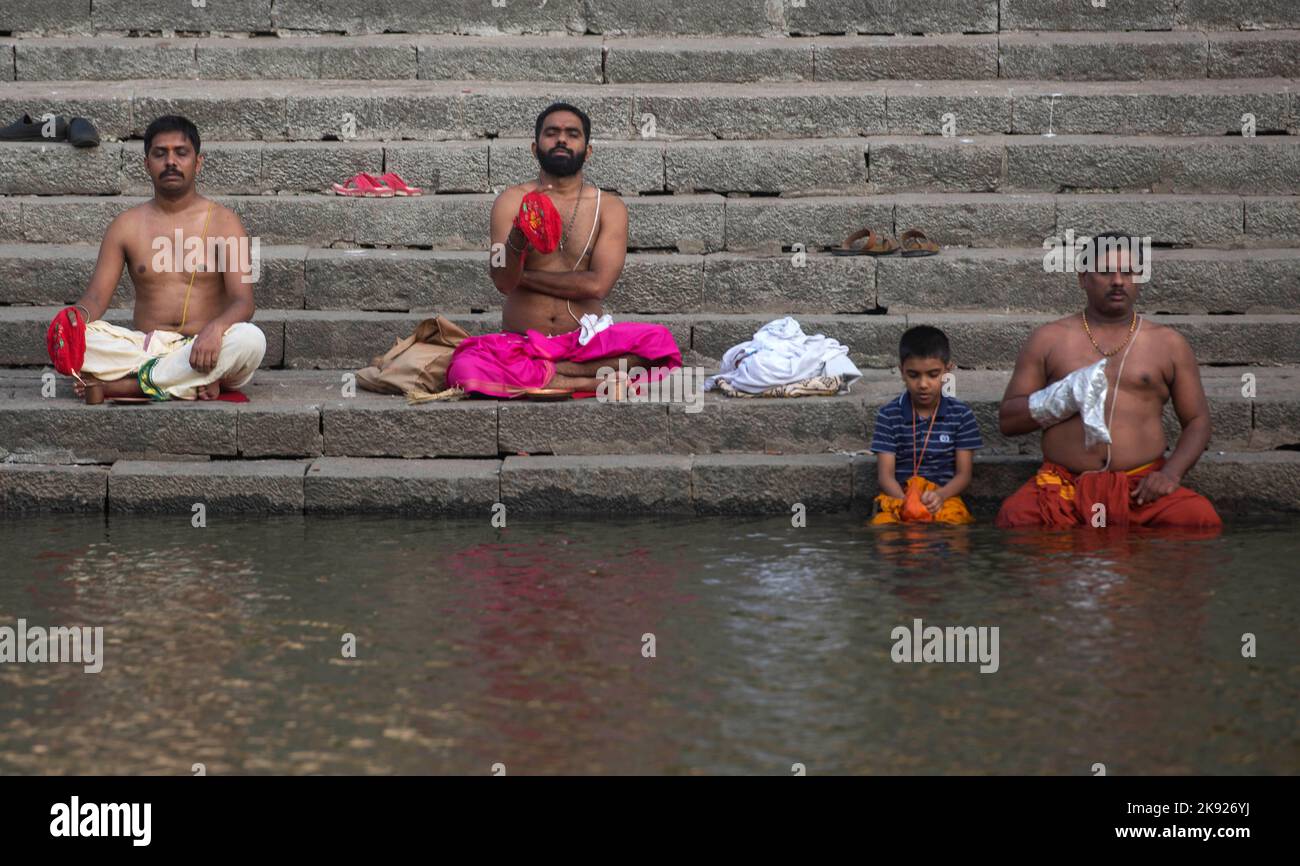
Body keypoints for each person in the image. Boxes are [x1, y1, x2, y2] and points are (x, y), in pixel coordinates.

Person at [445, 102, 680, 397]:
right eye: (552, 133)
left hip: (585, 344)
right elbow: (502, 279)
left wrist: (524, 277)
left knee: (658, 344)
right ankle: (591, 383)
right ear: (535, 147)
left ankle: (550, 375)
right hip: (523, 343)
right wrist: (518, 235)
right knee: (465, 369)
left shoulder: (609, 208)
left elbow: (597, 285)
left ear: (588, 150)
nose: (561, 140)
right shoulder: (508, 202)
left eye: (572, 134)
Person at [995, 231, 1222, 529]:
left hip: (1141, 489)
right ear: (1082, 279)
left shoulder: (1168, 344)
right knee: (1015, 517)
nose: (1118, 281)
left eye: (1128, 271)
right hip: (1064, 487)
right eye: (1105, 272)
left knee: (1199, 519)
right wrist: (1059, 399)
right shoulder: (1048, 339)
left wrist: (1170, 474)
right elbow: (1008, 422)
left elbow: (1197, 421)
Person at [63, 114, 264, 401]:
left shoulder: (227, 223)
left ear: (198, 162)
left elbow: (244, 302)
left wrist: (216, 329)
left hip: (207, 346)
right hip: (145, 346)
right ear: (147, 164)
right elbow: (95, 298)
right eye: (160, 154)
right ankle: (189, 382)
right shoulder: (125, 225)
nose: (171, 162)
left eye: (181, 153)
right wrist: (73, 319)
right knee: (79, 340)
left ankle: (125, 385)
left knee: (251, 340)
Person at [870, 326, 983, 524]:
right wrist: (905, 502)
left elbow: (964, 475)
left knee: (955, 527)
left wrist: (940, 496)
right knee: (883, 527)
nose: (923, 384)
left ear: (948, 370)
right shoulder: (889, 415)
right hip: (899, 496)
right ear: (902, 372)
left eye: (933, 374)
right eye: (914, 375)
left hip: (943, 497)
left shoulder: (961, 415)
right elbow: (885, 476)